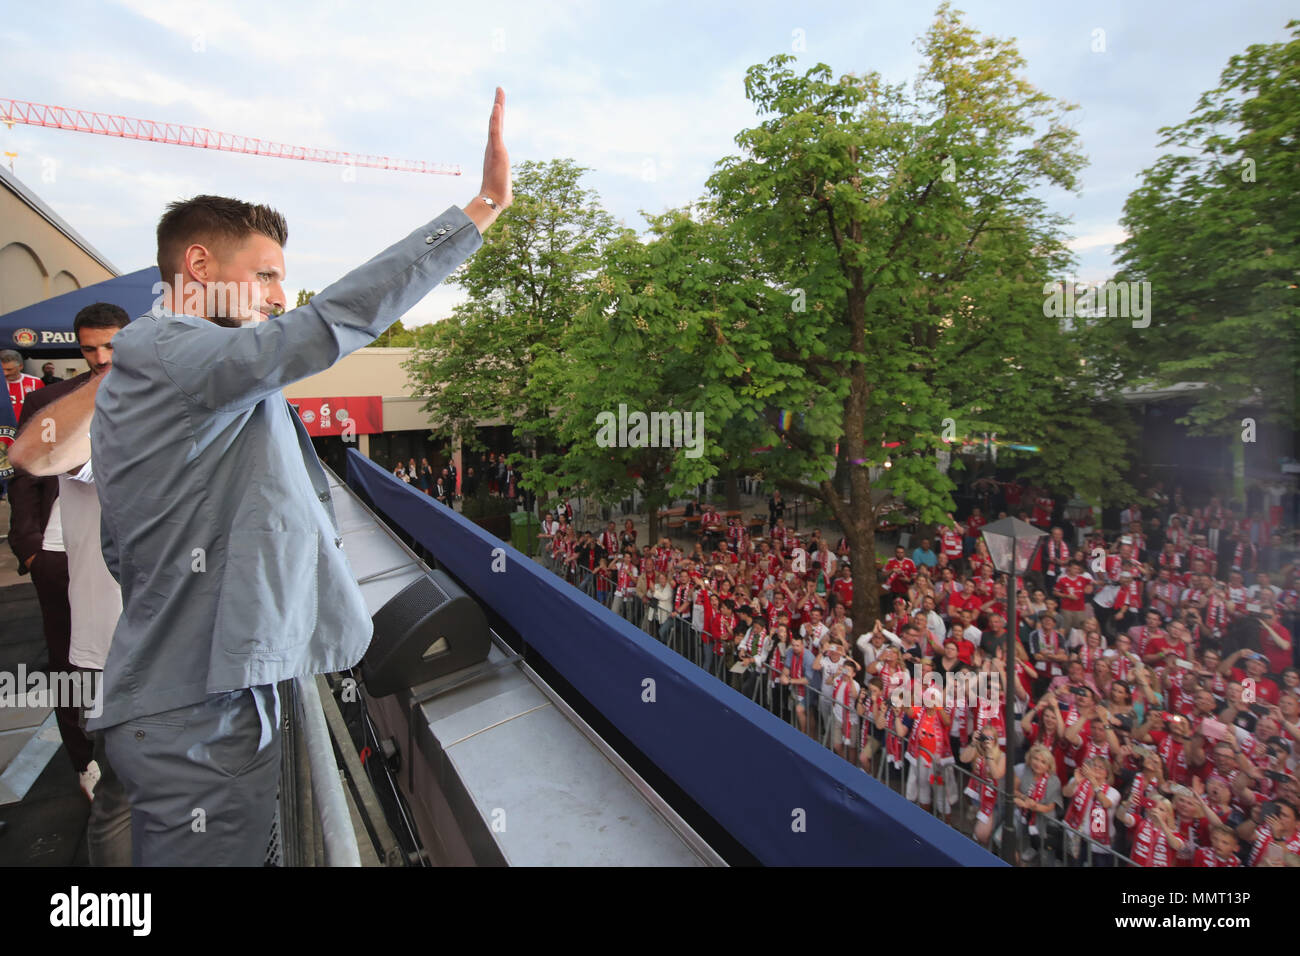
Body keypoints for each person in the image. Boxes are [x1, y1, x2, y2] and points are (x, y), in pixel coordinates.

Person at [82, 88, 510, 866]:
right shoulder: (170, 353)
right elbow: (324, 328)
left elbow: (125, 549)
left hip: (200, 705)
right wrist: (478, 211)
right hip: (195, 721)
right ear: (198, 266)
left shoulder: (174, 377)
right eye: (269, 275)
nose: (283, 297)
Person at [8, 302, 134, 865]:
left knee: (121, 654)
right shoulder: (47, 403)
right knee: (68, 661)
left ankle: (123, 759)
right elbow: (24, 478)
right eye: (89, 348)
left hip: (126, 559)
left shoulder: (150, 396)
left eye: (111, 345)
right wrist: (31, 548)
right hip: (59, 557)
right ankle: (85, 759)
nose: (101, 357)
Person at [2, 349, 44, 423]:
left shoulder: (35, 382)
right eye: (2, 369)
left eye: (9, 370)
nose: (5, 373)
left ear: (21, 366)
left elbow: (44, 407)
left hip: (28, 429)